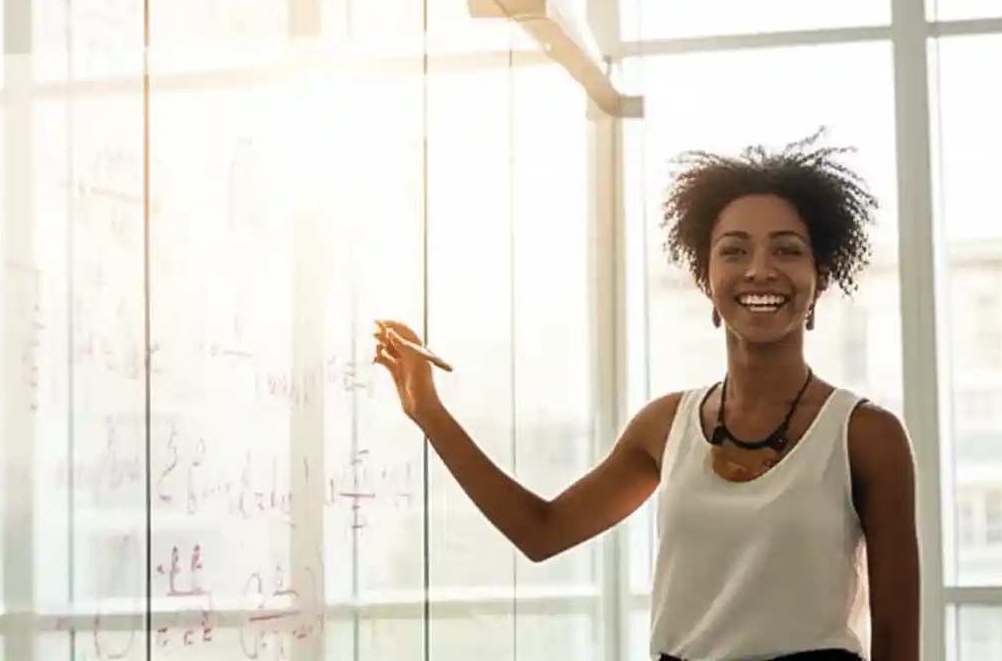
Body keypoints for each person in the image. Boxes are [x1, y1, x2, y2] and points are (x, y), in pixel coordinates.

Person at [373, 133, 920, 661]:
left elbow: (897, 634)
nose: (759, 269)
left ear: (819, 278)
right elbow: (541, 532)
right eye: (734, 250)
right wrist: (428, 411)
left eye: (787, 249)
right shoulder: (665, 425)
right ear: (707, 278)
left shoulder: (866, 435)